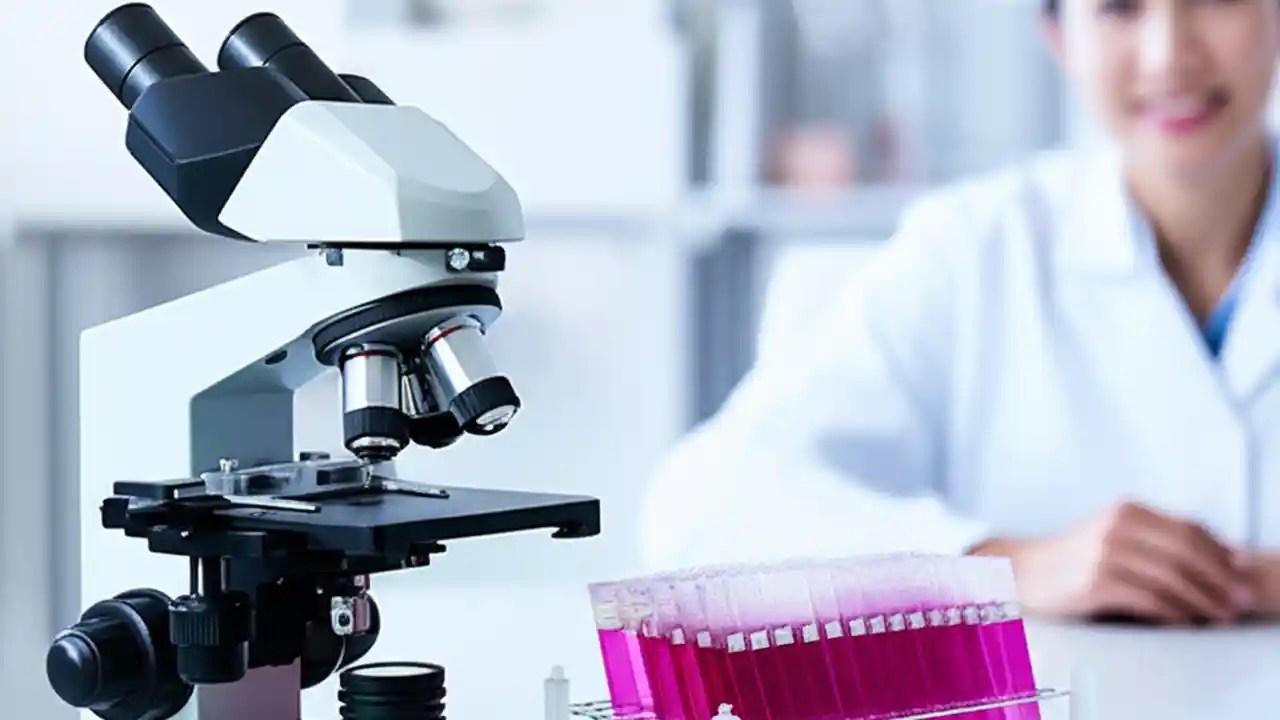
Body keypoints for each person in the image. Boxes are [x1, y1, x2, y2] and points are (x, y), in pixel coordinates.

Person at [641, 0, 1280, 626]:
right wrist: (996, 566)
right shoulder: (973, 249)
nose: (1169, 54)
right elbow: (699, 507)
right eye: (1118, 9)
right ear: (1060, 38)